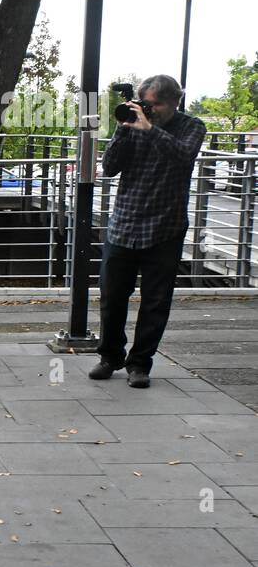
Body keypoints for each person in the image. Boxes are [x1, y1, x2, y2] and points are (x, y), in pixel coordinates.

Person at [89, 75, 205, 388]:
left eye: (153, 105)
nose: (147, 110)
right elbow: (110, 166)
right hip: (125, 224)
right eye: (145, 104)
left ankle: (139, 364)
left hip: (165, 228)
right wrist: (124, 129)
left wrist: (149, 129)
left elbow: (183, 158)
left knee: (155, 302)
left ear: (172, 103)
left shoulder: (192, 126)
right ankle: (109, 356)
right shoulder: (132, 121)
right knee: (111, 297)